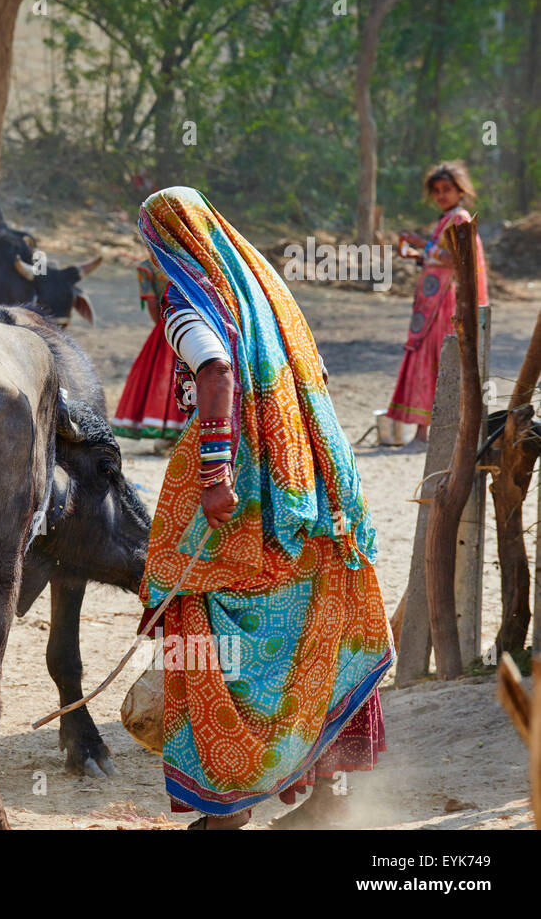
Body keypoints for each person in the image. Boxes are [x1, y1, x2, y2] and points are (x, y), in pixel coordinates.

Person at [136, 187, 392, 829]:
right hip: (309, 484)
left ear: (166, 241)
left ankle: (228, 811)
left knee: (203, 617)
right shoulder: (266, 297)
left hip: (244, 493)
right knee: (319, 626)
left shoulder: (188, 302)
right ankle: (329, 800)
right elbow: (317, 376)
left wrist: (216, 473)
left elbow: (216, 371)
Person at [388, 160, 489, 445]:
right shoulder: (446, 220)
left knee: (436, 360)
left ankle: (428, 433)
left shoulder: (460, 219)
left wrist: (421, 243)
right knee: (427, 359)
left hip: (445, 306)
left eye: (447, 189)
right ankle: (422, 432)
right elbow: (439, 260)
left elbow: (458, 259)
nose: (441, 195)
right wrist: (418, 257)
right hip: (431, 304)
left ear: (460, 191)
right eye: (436, 191)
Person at [111, 253, 186, 450]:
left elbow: (152, 303)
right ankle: (187, 430)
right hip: (198, 320)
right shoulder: (190, 260)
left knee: (163, 375)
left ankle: (166, 431)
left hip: (167, 323)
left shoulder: (147, 267)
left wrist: (162, 326)